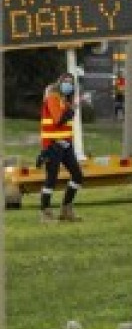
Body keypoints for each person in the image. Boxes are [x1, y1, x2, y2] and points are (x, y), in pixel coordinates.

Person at [39, 73, 85, 223]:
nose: (68, 85)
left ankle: (66, 210)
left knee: (77, 176)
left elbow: (64, 122)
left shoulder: (64, 100)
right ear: (59, 83)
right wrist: (72, 109)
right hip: (53, 144)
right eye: (66, 82)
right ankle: (45, 213)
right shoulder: (53, 97)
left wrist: (71, 107)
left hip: (65, 145)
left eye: (71, 83)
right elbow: (58, 119)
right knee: (51, 178)